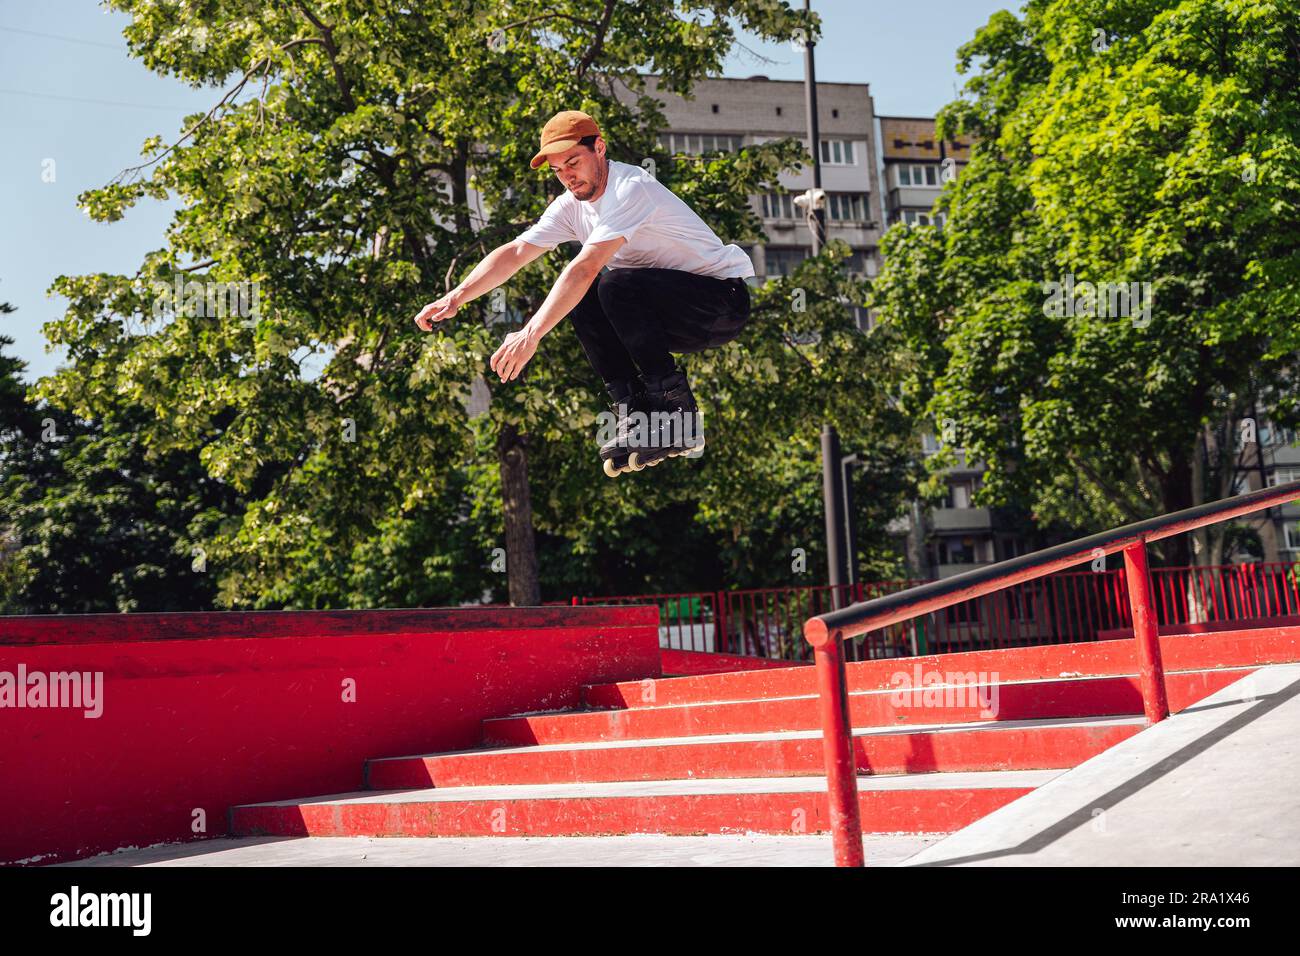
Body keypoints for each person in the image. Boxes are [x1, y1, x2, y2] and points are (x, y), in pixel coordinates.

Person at [413, 109, 754, 476]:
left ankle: (677, 413)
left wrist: (531, 333)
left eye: (573, 163)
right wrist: (456, 296)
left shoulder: (630, 187)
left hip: (721, 302)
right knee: (590, 294)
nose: (568, 177)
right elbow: (515, 252)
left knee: (610, 281)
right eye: (558, 171)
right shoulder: (569, 207)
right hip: (667, 315)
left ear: (600, 149)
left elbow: (585, 266)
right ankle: (635, 413)